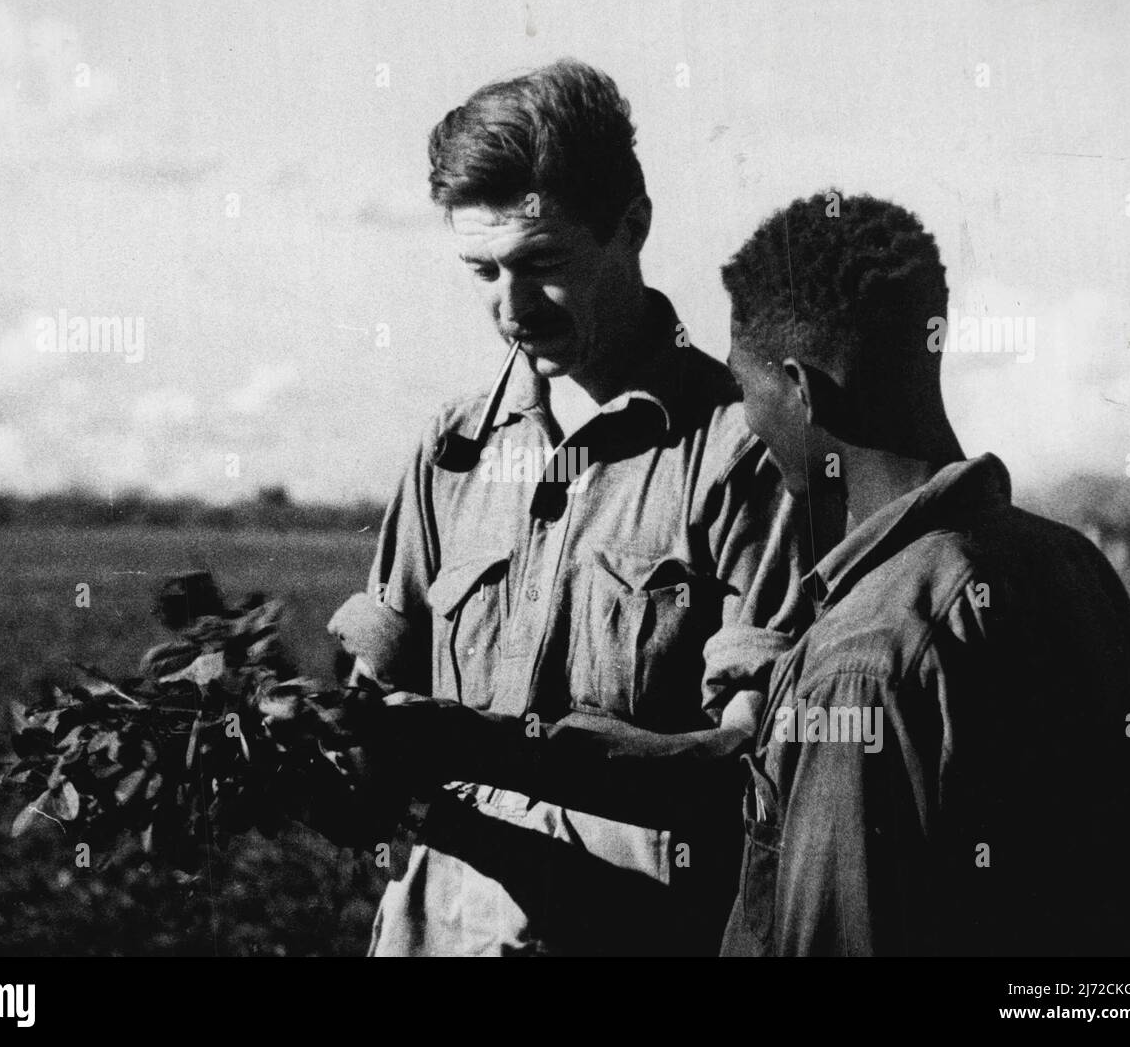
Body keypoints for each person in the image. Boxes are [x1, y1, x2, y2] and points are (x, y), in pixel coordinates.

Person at [326, 60, 813, 956]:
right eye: (480, 271)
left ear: (632, 226)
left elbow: (758, 763)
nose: (509, 307)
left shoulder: (738, 453)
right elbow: (371, 718)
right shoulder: (452, 452)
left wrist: (501, 751)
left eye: (541, 264)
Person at [716, 190, 1130, 956]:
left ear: (803, 389)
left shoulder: (864, 655)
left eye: (745, 390)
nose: (747, 427)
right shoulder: (1075, 566)